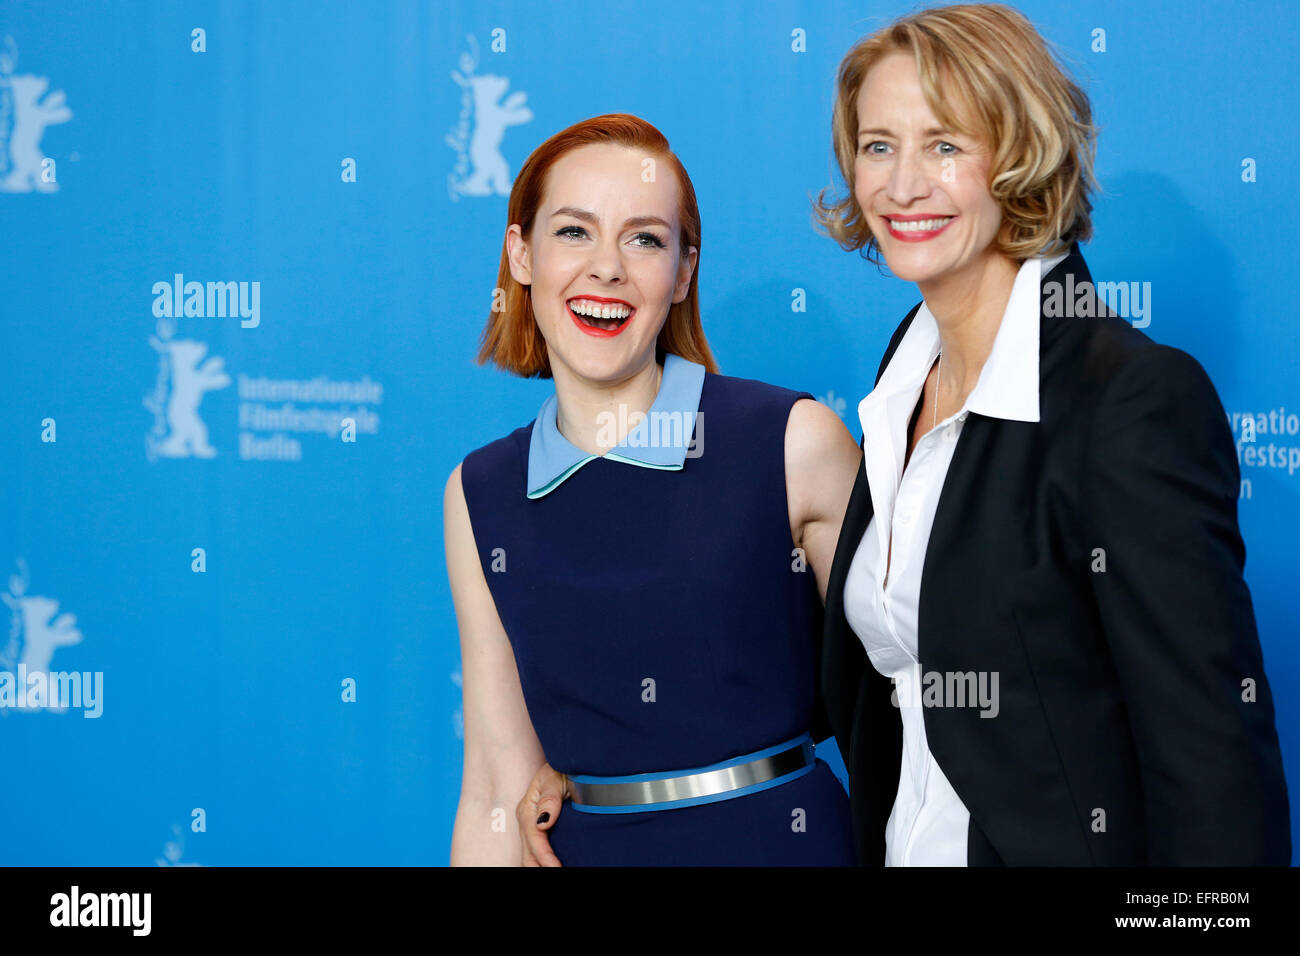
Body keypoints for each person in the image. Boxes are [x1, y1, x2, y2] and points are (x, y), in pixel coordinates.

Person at [522, 3, 1291, 867]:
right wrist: (598, 766)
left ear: (1022, 156)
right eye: (878, 145)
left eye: (946, 145)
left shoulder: (1128, 399)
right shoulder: (904, 380)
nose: (901, 185)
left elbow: (1217, 772)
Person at [445, 113, 862, 865]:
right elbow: (491, 789)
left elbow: (905, 717)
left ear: (683, 272)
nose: (607, 267)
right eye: (573, 231)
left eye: (644, 239)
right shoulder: (482, 491)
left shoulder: (794, 442)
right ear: (521, 254)